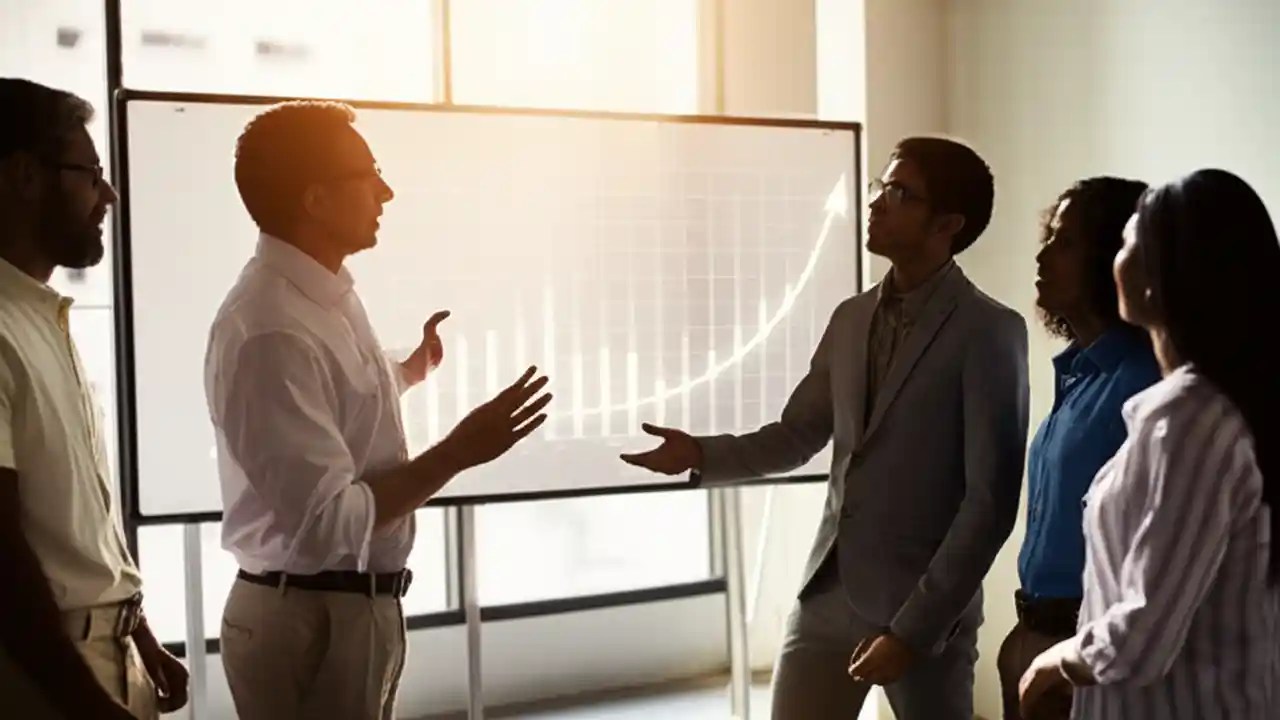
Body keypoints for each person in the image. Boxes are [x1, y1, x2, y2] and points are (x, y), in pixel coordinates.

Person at [623, 136, 1029, 719]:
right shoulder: (851, 317)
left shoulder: (990, 331)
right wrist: (700, 454)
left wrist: (913, 631)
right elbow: (795, 436)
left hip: (926, 613)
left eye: (899, 193)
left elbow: (988, 505)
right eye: (879, 187)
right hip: (826, 597)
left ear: (948, 224)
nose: (876, 203)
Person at [204, 101, 551, 719]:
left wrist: (409, 370)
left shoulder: (320, 297)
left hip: (341, 611)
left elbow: (334, 400)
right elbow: (328, 522)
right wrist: (460, 451)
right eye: (367, 175)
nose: (385, 192)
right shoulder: (270, 329)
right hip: (308, 622)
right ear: (315, 201)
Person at [1019, 168, 1280, 719]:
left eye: (1130, 242)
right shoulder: (1189, 410)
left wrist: (1052, 661)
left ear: (1164, 274)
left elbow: (1143, 632)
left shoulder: (1187, 417)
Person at [0, 78, 189, 719]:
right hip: (48, 678)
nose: (106, 195)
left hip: (103, 657)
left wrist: (137, 636)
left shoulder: (41, 313)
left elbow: (72, 519)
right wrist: (84, 702)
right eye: (90, 174)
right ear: (26, 176)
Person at [996, 177, 1159, 720]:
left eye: (1065, 242)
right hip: (1032, 634)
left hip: (1087, 650)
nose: (1042, 255)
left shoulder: (1143, 384)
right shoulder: (1079, 375)